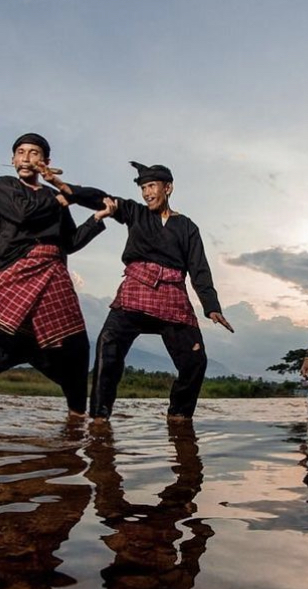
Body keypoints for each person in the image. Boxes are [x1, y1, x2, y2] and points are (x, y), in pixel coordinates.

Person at [0, 133, 117, 420]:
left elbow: (70, 242)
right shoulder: (4, 186)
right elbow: (23, 214)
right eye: (21, 152)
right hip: (14, 270)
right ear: (13, 159)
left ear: (46, 162)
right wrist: (63, 198)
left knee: (76, 345)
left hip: (53, 273)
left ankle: (77, 415)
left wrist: (97, 218)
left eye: (34, 153)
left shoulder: (54, 196)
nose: (27, 158)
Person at [88, 161, 234, 422]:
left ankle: (179, 418)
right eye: (143, 188)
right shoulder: (135, 212)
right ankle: (99, 418)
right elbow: (99, 198)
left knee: (195, 362)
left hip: (172, 297)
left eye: (151, 186)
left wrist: (211, 307)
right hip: (135, 291)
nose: (146, 193)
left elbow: (198, 268)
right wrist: (63, 187)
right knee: (107, 346)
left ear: (168, 188)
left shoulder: (187, 227)